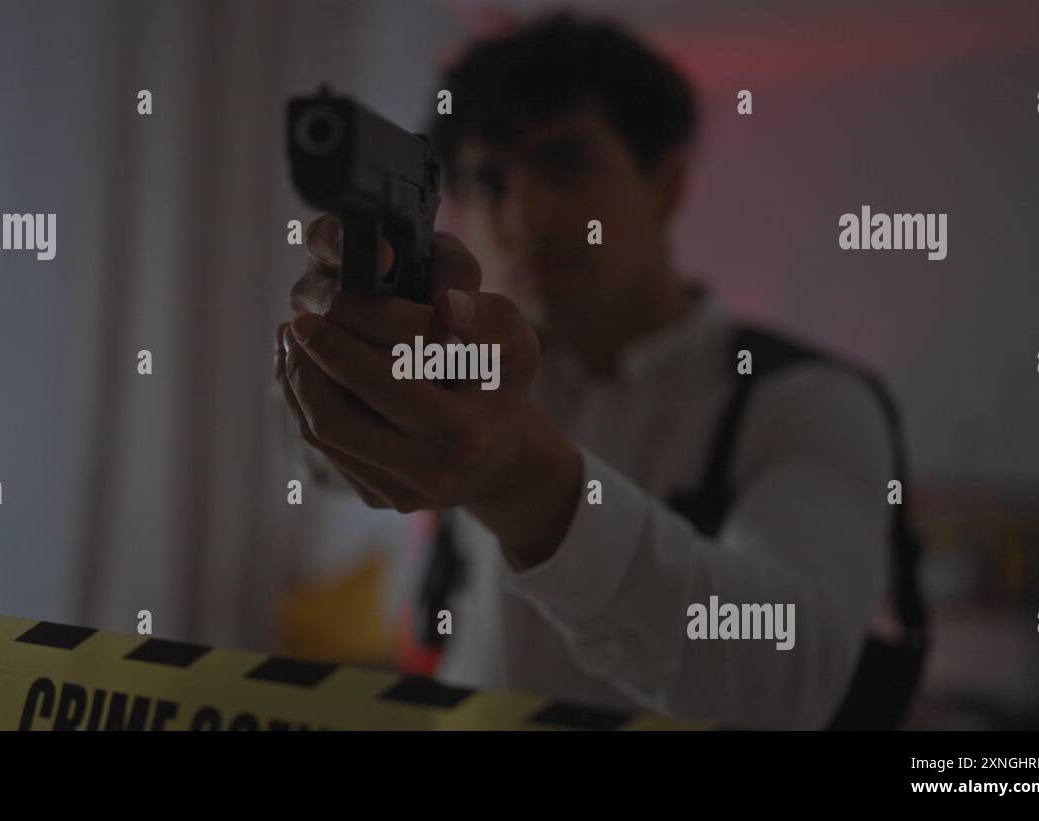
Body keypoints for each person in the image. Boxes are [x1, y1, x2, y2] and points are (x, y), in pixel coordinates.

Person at [274, 12, 926, 730]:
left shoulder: (811, 400)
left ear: (666, 184)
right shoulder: (466, 366)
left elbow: (785, 674)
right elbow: (316, 462)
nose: (526, 214)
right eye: (489, 180)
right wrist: (346, 364)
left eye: (566, 164)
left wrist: (528, 485)